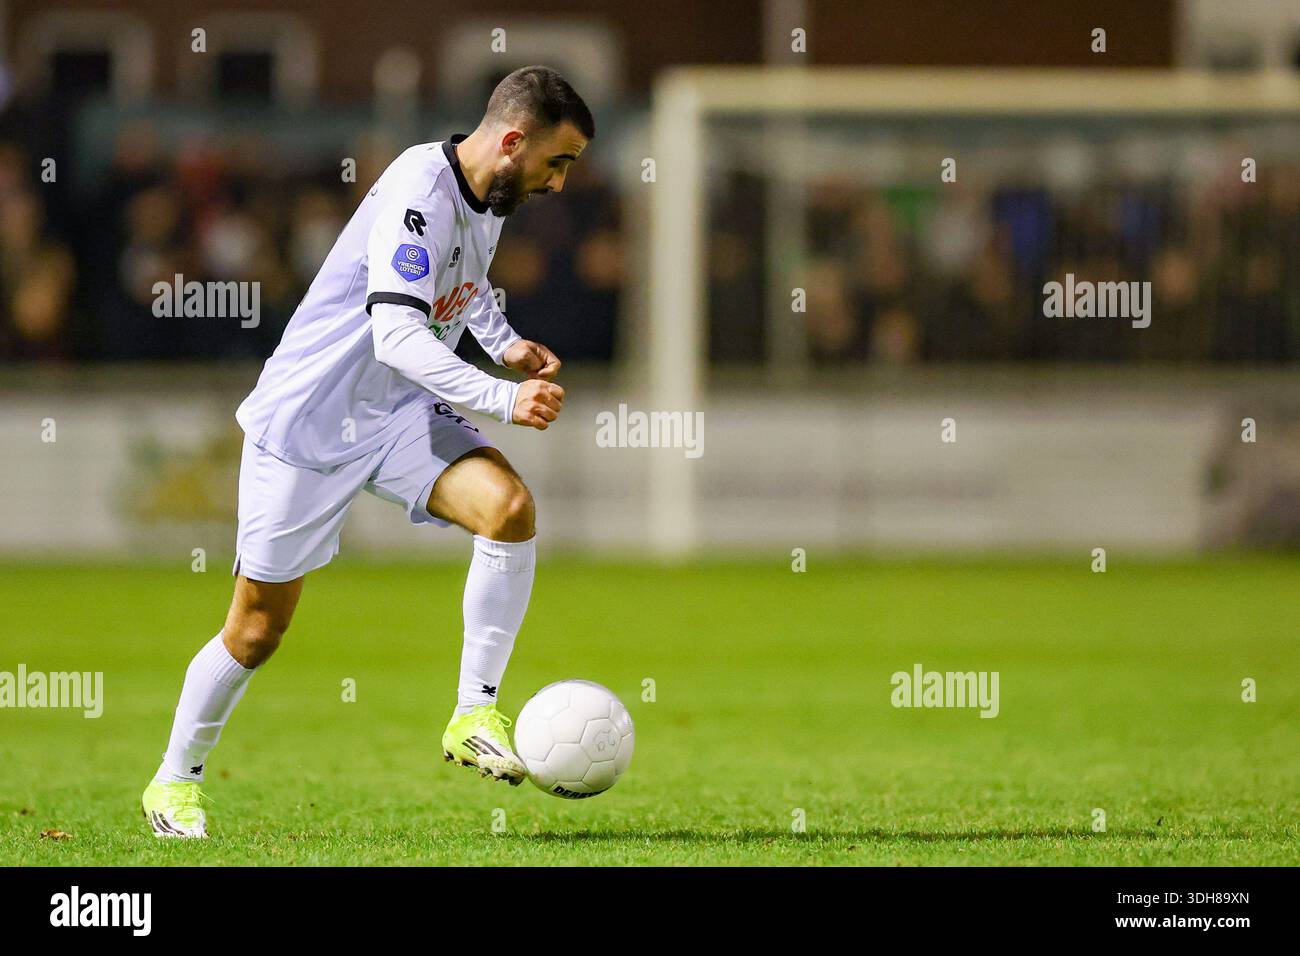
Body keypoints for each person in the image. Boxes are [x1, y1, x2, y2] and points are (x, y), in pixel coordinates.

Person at [142, 66, 593, 837]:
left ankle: (473, 711)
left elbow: (468, 283)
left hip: (397, 414)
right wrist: (502, 397)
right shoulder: (421, 189)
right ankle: (171, 784)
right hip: (310, 425)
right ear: (514, 141)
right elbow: (396, 334)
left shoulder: (489, 195)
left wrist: (504, 343)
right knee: (255, 630)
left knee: (509, 511)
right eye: (558, 161)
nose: (559, 182)